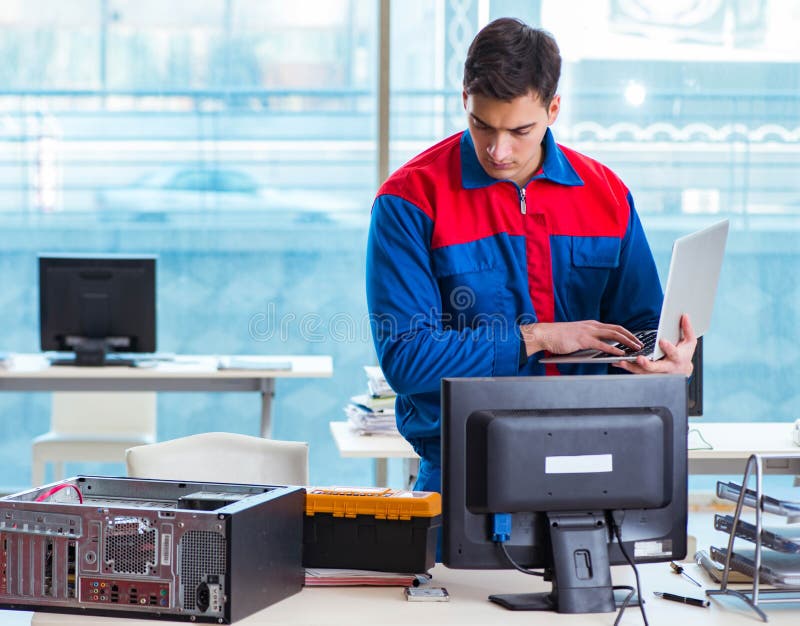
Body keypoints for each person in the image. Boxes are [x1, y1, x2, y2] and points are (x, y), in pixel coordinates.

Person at [366, 17, 696, 493]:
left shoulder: (607, 196)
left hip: (601, 459)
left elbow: (646, 326)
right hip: (463, 471)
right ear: (464, 100)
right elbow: (408, 359)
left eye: (520, 130)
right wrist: (537, 337)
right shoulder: (409, 201)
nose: (498, 150)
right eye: (482, 125)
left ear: (554, 108)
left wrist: (670, 363)